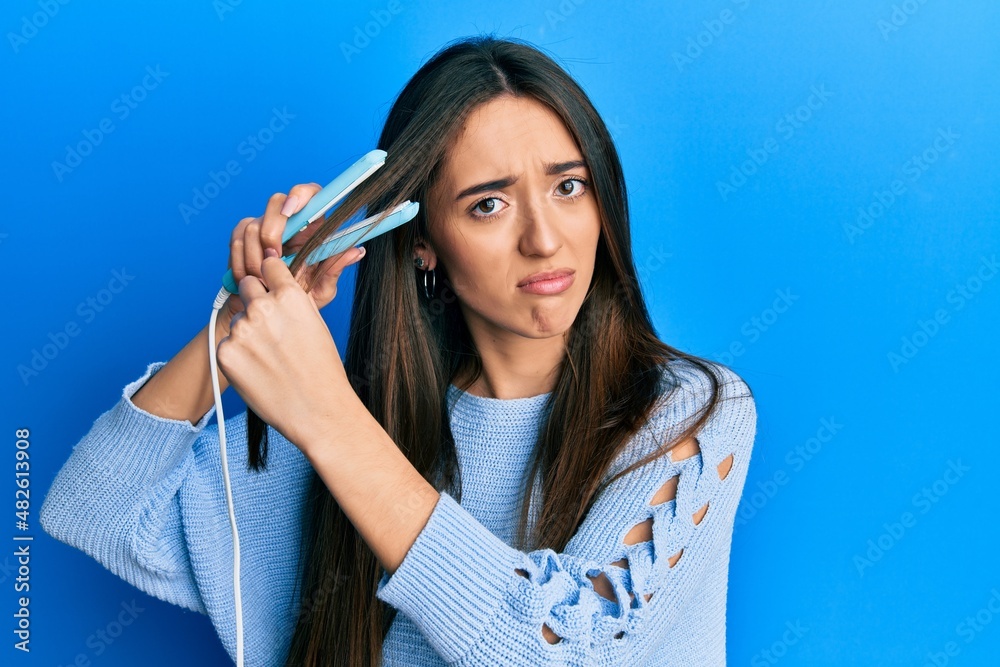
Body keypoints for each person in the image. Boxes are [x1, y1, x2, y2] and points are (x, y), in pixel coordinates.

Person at [40, 34, 758, 666]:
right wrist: (238, 319)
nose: (545, 238)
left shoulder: (690, 413)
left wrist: (329, 418)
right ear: (425, 248)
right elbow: (95, 511)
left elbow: (571, 654)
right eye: (489, 203)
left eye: (568, 186)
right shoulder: (349, 431)